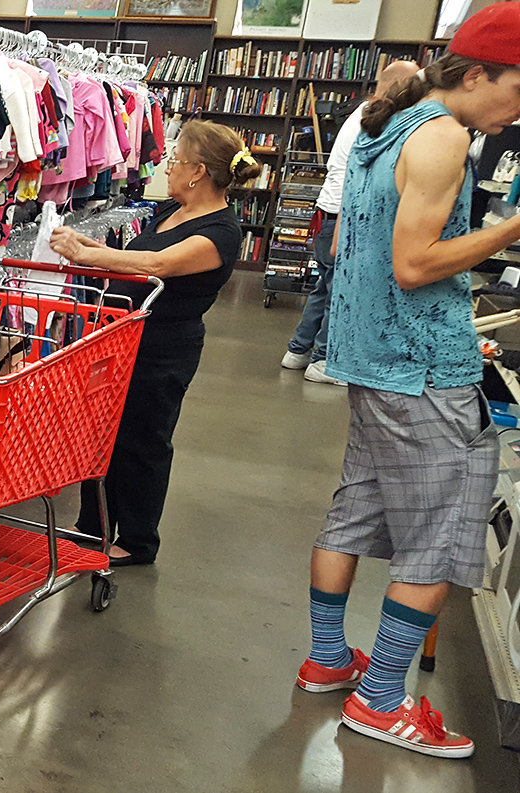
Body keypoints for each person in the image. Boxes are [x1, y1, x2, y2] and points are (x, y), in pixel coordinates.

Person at [296, 2, 520, 758]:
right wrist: (509, 230)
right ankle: (381, 698)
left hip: (371, 356)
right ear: (480, 72)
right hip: (421, 370)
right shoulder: (444, 134)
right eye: (518, 89)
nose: (519, 110)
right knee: (437, 540)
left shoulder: (385, 119)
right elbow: (415, 263)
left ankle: (330, 657)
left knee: (357, 507)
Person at [50, 120, 261, 566]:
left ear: (198, 171)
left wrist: (87, 255)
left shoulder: (221, 231)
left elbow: (158, 263)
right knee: (104, 435)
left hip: (163, 348)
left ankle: (138, 540)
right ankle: (93, 526)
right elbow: (133, 256)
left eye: (176, 159)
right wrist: (81, 242)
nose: (168, 167)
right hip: (123, 340)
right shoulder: (172, 210)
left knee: (143, 442)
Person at [281, 59, 420, 385]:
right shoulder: (379, 119)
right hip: (347, 218)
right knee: (341, 293)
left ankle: (298, 350)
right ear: (400, 86)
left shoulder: (364, 112)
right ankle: (324, 360)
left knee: (325, 288)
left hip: (329, 214)